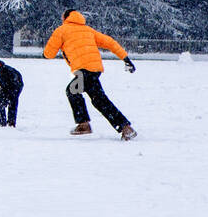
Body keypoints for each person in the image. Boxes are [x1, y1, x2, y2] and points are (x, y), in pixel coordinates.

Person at [42, 9, 137, 140]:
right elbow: (109, 42)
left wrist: (45, 54)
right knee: (98, 100)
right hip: (94, 69)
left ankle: (85, 124)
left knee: (74, 91)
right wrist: (125, 58)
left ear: (66, 18)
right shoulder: (88, 30)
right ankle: (125, 128)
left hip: (83, 69)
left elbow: (49, 53)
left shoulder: (62, 30)